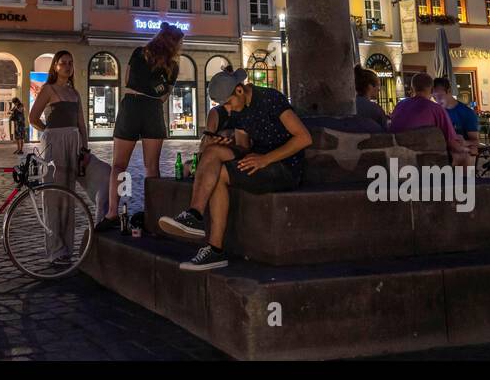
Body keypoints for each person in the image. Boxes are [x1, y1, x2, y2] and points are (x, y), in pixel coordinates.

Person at [159, 68, 312, 270]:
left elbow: (304, 137)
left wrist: (265, 159)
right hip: (256, 158)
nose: (228, 108)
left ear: (240, 90)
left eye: (229, 102)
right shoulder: (238, 112)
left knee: (221, 174)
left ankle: (215, 249)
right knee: (213, 151)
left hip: (284, 167)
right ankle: (194, 215)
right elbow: (244, 147)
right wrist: (226, 143)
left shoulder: (270, 98)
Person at [107, 24, 184, 222]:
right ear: (173, 44)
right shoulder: (173, 66)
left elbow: (126, 80)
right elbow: (164, 97)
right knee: (152, 167)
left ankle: (113, 212)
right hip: (153, 110)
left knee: (119, 165)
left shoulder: (139, 53)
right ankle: (152, 213)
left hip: (131, 106)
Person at [29, 50, 89, 264]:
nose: (67, 66)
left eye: (70, 63)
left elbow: (82, 124)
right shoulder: (48, 89)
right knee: (53, 195)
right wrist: (48, 131)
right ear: (55, 66)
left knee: (69, 197)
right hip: (54, 142)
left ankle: (67, 248)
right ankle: (55, 250)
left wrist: (85, 149)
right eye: (63, 63)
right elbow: (32, 117)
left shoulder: (74, 94)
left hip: (73, 142)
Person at [389, 73, 470, 166]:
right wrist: (466, 149)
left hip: (399, 160)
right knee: (463, 156)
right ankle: (462, 180)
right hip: (426, 162)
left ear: (411, 89)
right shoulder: (436, 109)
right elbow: (452, 143)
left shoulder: (399, 106)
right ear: (431, 90)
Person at [432, 77, 479, 148]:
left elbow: (476, 141)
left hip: (459, 152)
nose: (437, 101)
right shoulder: (437, 112)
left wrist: (465, 142)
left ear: (449, 91)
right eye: (435, 97)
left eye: (440, 96)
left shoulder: (467, 113)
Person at [354, 65, 389, 132]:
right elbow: (386, 132)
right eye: (378, 85)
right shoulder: (375, 109)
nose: (379, 89)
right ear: (370, 86)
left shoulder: (349, 106)